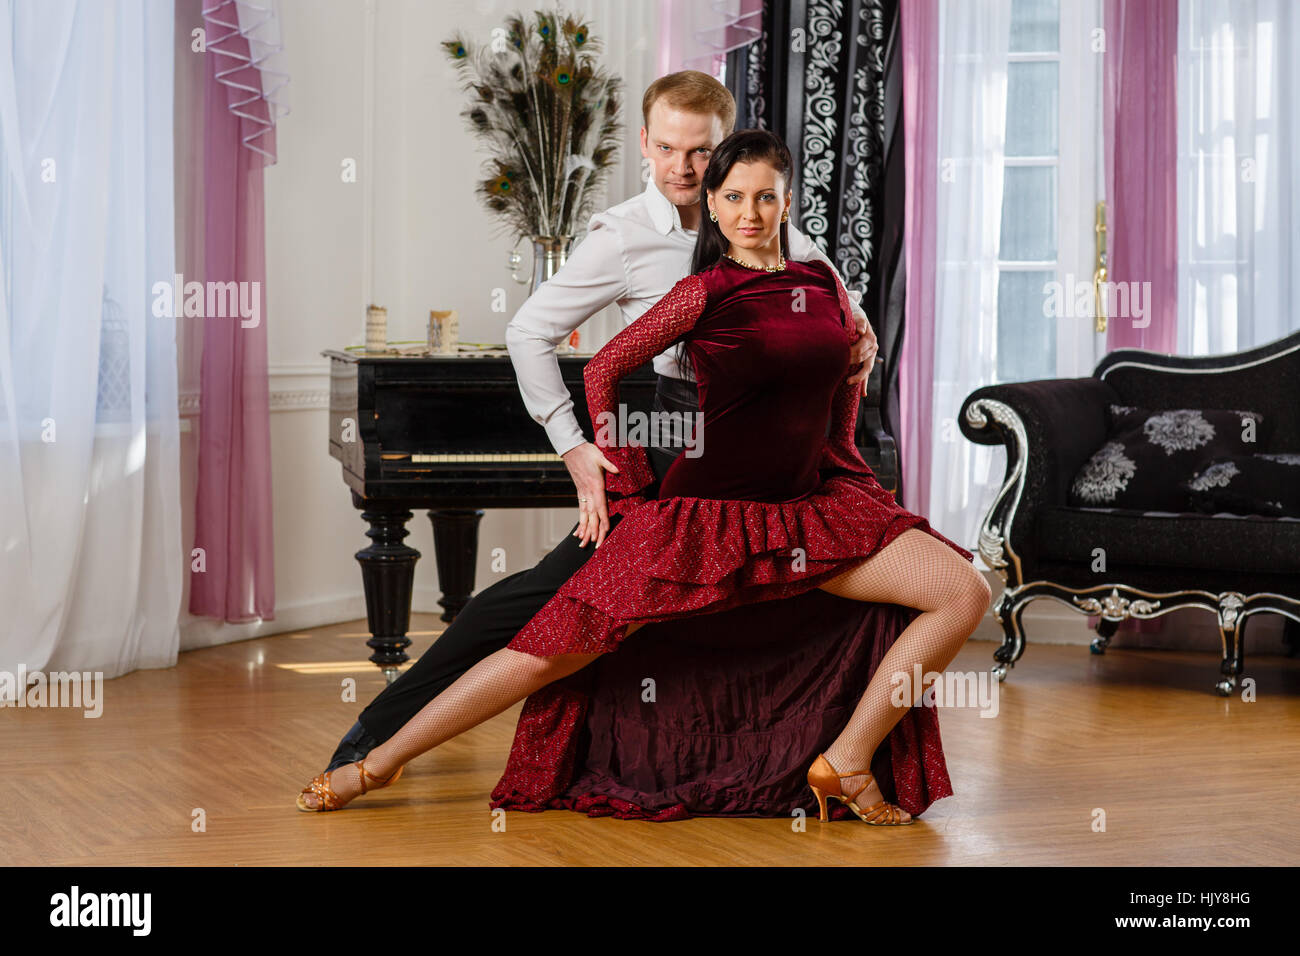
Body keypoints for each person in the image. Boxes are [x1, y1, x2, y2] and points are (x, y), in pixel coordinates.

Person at [298, 128, 991, 825]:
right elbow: (604, 369)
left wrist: (856, 393)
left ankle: (844, 761)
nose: (749, 213)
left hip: (806, 513)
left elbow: (834, 411)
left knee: (962, 592)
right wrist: (624, 483)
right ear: (714, 208)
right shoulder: (703, 291)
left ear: (787, 201)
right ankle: (378, 763)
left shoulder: (822, 285)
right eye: (732, 198)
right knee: (544, 653)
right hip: (703, 523)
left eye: (765, 197)